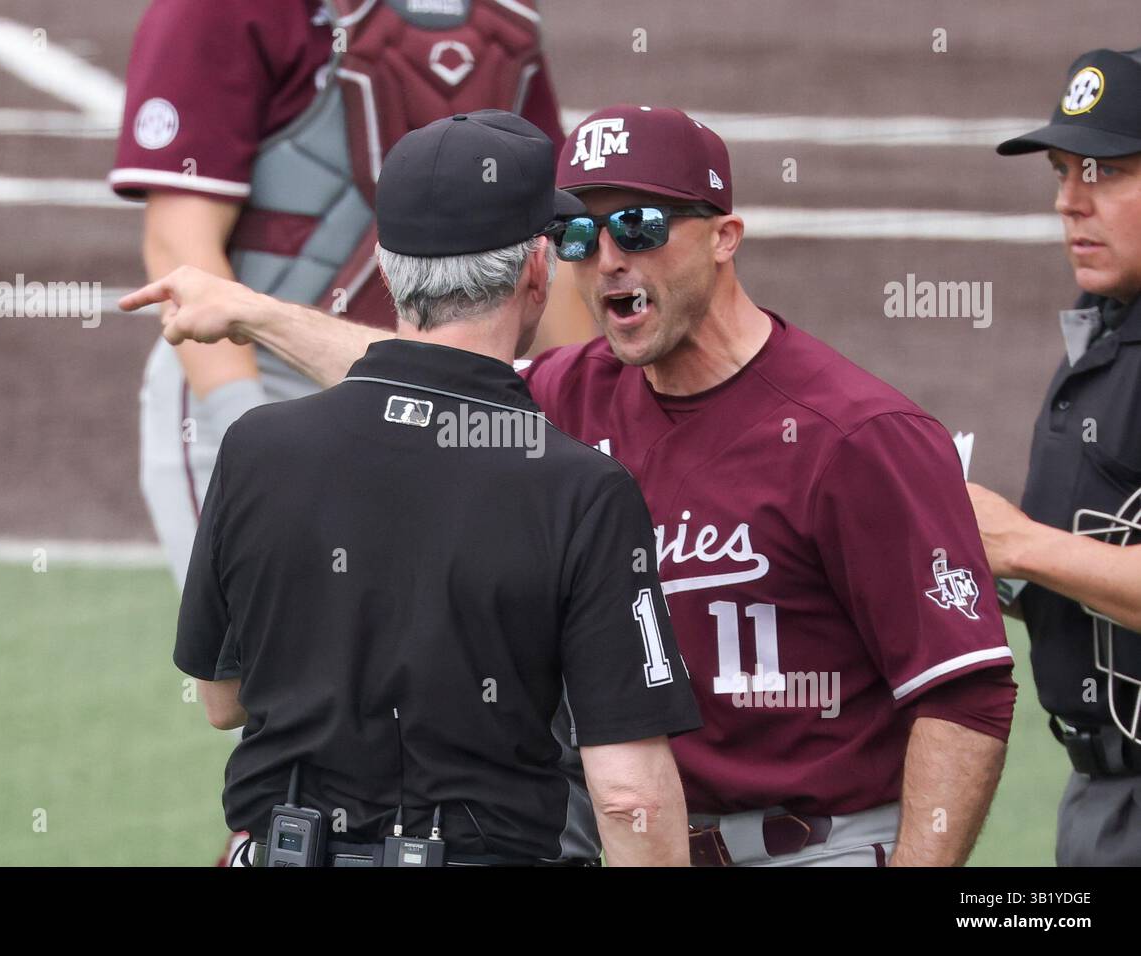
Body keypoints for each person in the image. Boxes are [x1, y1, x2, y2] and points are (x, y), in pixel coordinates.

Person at [123, 104, 1017, 867]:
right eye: (583, 234)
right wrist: (254, 311)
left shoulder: (857, 437)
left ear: (725, 237)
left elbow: (963, 692)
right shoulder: (567, 395)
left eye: (641, 227)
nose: (609, 261)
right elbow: (425, 382)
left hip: (806, 846)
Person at [108, 0, 579, 862]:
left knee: (482, 694)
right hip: (263, 394)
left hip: (449, 410)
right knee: (284, 700)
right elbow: (179, 236)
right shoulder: (222, 10)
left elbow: (548, 239)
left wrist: (587, 419)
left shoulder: (497, 20)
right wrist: (263, 446)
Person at [172, 110, 702, 867]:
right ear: (533, 273)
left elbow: (223, 701)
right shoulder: (583, 490)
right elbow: (629, 798)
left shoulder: (258, 447)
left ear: (388, 272)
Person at [967, 47, 1141, 867]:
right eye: (1064, 170)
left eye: (1103, 171)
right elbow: (1096, 552)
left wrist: (1018, 543)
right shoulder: (1104, 327)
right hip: (1101, 798)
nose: (1069, 202)